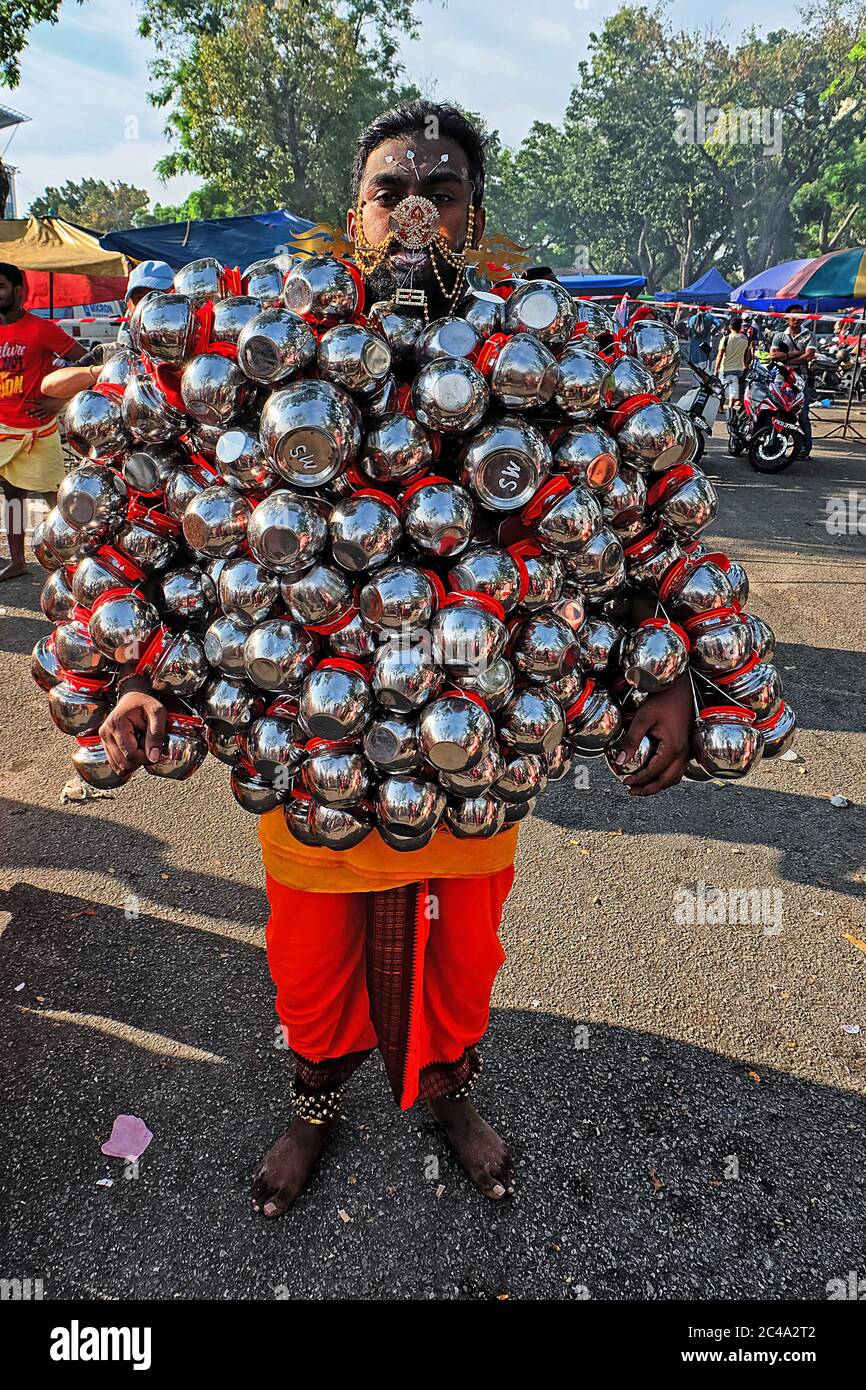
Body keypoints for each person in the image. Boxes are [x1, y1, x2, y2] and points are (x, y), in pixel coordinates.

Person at [96, 101, 695, 1218]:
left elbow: (626, 524)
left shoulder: (546, 359)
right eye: (390, 190)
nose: (415, 208)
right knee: (309, 960)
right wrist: (133, 678)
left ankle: (448, 1091)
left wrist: (661, 671)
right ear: (353, 218)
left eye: (443, 191)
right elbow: (163, 517)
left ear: (474, 220)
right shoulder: (265, 349)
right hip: (305, 737)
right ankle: (314, 1100)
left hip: (475, 741)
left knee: (462, 955)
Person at [0, 262, 89, 581]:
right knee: (13, 498)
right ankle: (18, 561)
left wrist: (60, 400)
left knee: (56, 497)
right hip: (5, 431)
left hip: (40, 431)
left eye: (1, 287)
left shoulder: (41, 329)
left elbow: (87, 361)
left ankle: (77, 558)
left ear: (18, 291)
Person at [38, 259, 175, 403]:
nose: (149, 305)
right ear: (129, 306)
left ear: (175, 296)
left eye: (157, 296)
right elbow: (49, 385)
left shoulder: (191, 349)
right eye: (140, 298)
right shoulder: (111, 353)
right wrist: (110, 370)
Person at [770, 308, 815, 459]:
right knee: (778, 413)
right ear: (787, 318)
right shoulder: (779, 335)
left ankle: (805, 449)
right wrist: (796, 353)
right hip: (780, 379)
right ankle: (776, 446)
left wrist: (786, 360)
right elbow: (774, 356)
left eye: (800, 316)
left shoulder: (809, 335)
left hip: (800, 380)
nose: (797, 318)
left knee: (802, 416)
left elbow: (808, 356)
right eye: (794, 316)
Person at [714, 312, 753, 416]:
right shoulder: (746, 339)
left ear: (730, 326)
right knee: (733, 390)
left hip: (725, 368)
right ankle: (730, 409)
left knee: (722, 390)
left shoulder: (725, 339)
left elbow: (720, 355)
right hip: (738, 369)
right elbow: (748, 354)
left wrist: (716, 369)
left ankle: (721, 408)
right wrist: (746, 364)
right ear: (740, 327)